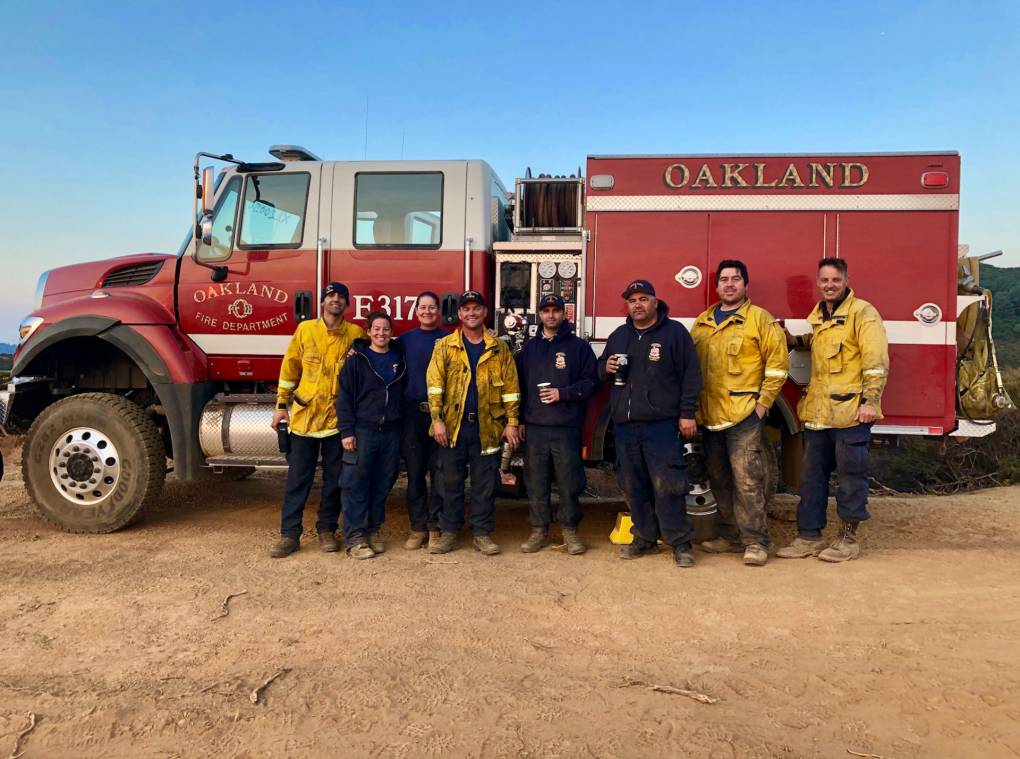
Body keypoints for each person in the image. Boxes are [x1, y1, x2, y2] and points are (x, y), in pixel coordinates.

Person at [777, 258, 889, 563]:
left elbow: (876, 361)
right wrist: (793, 340)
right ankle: (808, 537)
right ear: (819, 282)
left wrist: (871, 402)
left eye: (835, 280)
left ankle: (848, 539)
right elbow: (819, 343)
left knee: (851, 477)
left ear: (846, 281)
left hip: (851, 412)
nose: (829, 285)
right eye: (824, 281)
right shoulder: (821, 317)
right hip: (818, 414)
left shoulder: (863, 313)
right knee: (811, 479)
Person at [690, 260, 789, 566]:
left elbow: (777, 367)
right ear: (716, 286)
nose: (729, 284)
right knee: (718, 478)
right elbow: (691, 370)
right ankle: (731, 535)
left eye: (735, 279)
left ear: (746, 285)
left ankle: (756, 541)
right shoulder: (703, 322)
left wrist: (761, 406)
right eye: (724, 280)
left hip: (743, 415)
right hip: (709, 416)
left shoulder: (760, 320)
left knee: (748, 480)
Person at [597, 279, 701, 568]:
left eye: (643, 299)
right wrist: (604, 367)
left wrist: (687, 413)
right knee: (634, 485)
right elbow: (600, 369)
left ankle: (680, 543)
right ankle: (644, 538)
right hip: (626, 426)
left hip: (662, 425)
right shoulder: (619, 335)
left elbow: (691, 375)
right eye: (632, 300)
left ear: (655, 302)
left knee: (669, 484)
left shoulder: (674, 333)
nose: (637, 304)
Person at [270, 282, 365, 558]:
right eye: (331, 296)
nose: (335, 300)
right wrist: (280, 406)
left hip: (337, 422)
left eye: (341, 297)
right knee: (298, 480)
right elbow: (290, 369)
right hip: (305, 420)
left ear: (347, 305)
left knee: (335, 481)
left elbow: (375, 356)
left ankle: (326, 530)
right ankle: (289, 535)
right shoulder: (306, 330)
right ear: (322, 302)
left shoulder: (356, 334)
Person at [426, 290, 521, 556]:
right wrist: (437, 421)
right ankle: (449, 532)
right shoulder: (445, 346)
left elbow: (511, 389)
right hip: (452, 427)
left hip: (487, 427)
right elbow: (434, 386)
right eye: (466, 309)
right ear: (459, 314)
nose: (471, 313)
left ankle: (482, 533)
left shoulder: (499, 348)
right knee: (449, 482)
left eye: (476, 308)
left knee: (485, 484)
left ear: (485, 312)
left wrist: (512, 422)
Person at [515, 294, 599, 555]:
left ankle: (570, 532)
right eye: (546, 311)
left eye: (556, 311)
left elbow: (591, 383)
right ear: (539, 315)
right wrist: (518, 420)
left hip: (566, 428)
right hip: (536, 427)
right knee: (536, 482)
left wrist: (562, 394)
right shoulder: (529, 349)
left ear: (565, 314)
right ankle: (539, 531)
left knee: (568, 482)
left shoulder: (579, 348)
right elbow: (518, 388)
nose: (551, 316)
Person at [337, 311, 407, 559]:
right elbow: (344, 396)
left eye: (386, 329)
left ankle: (373, 530)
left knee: (383, 482)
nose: (381, 333)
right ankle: (355, 538)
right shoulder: (357, 360)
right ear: (368, 332)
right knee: (356, 483)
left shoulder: (400, 357)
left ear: (391, 331)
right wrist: (347, 430)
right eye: (376, 329)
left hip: (391, 430)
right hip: (363, 429)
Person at [397, 292, 450, 550]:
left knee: (440, 474)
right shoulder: (405, 340)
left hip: (443, 416)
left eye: (432, 307)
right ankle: (417, 528)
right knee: (416, 474)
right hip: (413, 416)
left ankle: (435, 527)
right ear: (416, 311)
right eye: (423, 307)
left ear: (439, 310)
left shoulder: (451, 339)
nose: (427, 311)